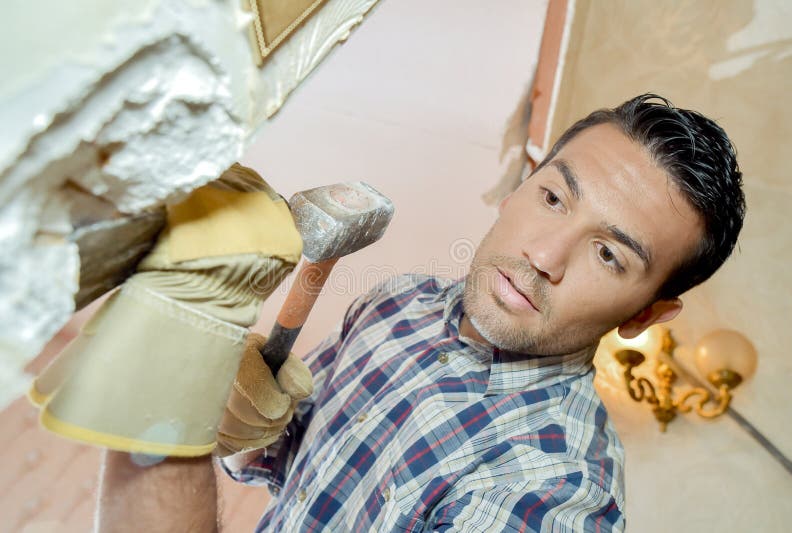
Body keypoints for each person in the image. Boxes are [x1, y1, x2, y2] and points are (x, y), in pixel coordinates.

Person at [95, 94, 745, 532]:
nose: (544, 254)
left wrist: (172, 371)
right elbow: (289, 461)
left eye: (607, 254)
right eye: (552, 196)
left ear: (645, 314)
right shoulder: (398, 300)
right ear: (517, 185)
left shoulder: (554, 491)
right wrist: (251, 422)